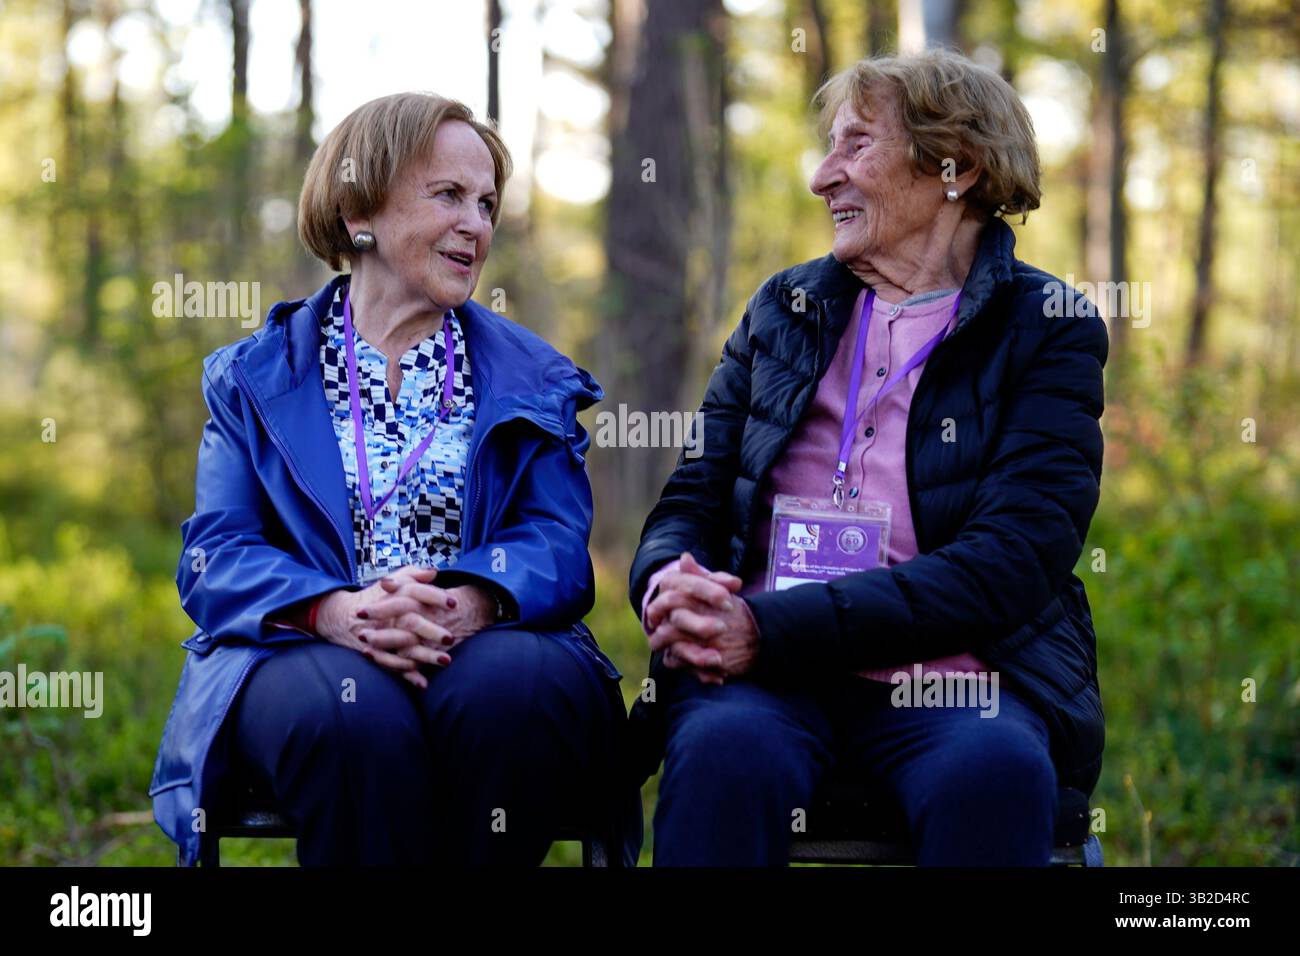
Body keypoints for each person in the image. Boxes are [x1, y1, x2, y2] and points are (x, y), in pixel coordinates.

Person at [628, 49, 1107, 866]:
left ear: (955, 166)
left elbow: (1010, 562)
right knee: (723, 757)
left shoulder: (1049, 326)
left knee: (993, 772)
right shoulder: (786, 309)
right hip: (768, 679)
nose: (823, 176)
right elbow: (694, 496)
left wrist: (764, 630)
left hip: (953, 681)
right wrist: (669, 580)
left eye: (856, 145)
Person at [151, 92, 638, 866]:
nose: (475, 223)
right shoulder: (253, 378)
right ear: (358, 214)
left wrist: (466, 600)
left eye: (485, 203)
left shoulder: (532, 377)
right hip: (302, 646)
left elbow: (556, 546)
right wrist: (336, 612)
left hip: (485, 640)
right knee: (350, 718)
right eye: (447, 195)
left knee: (513, 694)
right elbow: (216, 556)